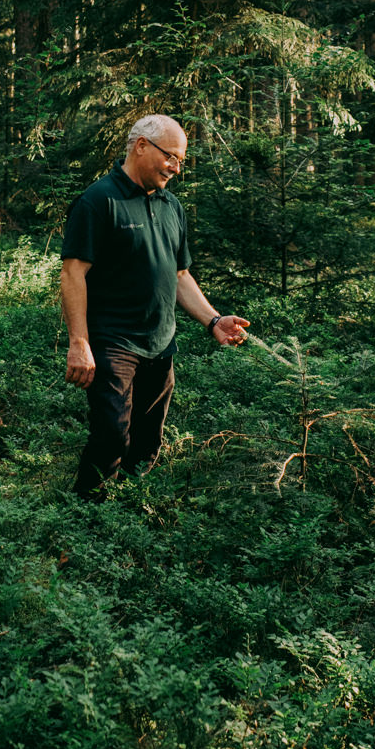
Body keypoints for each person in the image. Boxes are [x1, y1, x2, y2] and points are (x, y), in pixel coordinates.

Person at [60, 113, 250, 499]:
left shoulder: (170, 206)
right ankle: (82, 519)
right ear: (141, 146)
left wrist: (213, 319)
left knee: (147, 445)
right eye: (172, 157)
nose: (176, 168)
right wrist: (79, 341)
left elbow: (180, 275)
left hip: (161, 344)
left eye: (181, 161)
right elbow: (72, 274)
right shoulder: (98, 201)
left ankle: (130, 515)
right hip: (113, 342)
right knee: (111, 436)